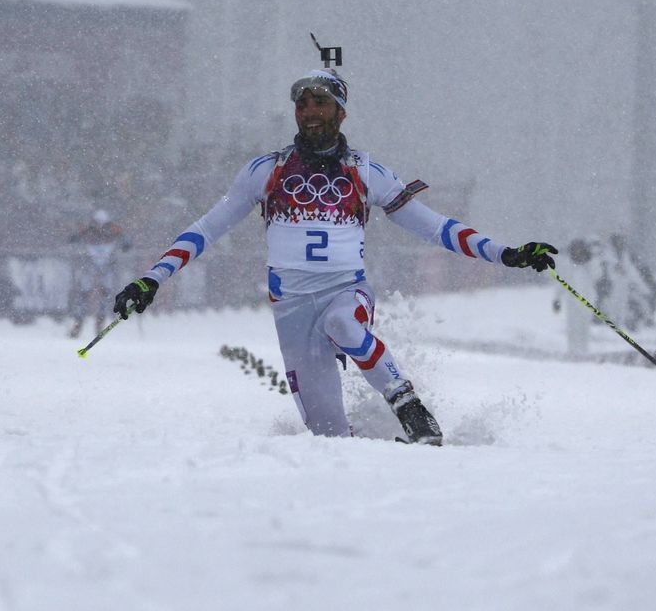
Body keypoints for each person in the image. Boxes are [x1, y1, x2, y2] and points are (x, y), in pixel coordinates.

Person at [112, 68, 558, 445]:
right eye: (302, 104)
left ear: (341, 112)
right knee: (328, 438)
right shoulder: (266, 170)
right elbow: (206, 228)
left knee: (343, 323)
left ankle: (409, 406)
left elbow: (435, 226)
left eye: (321, 103)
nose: (310, 112)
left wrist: (508, 254)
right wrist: (151, 279)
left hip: (346, 291)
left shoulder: (364, 171)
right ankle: (377, 447)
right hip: (291, 308)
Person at [68, 208, 130, 338]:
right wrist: (78, 235)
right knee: (84, 294)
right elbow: (73, 239)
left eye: (104, 227)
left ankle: (99, 325)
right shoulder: (88, 231)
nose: (101, 231)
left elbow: (127, 243)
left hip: (106, 267)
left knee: (104, 294)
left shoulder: (113, 231)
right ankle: (78, 324)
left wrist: (123, 238)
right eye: (97, 226)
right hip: (90, 266)